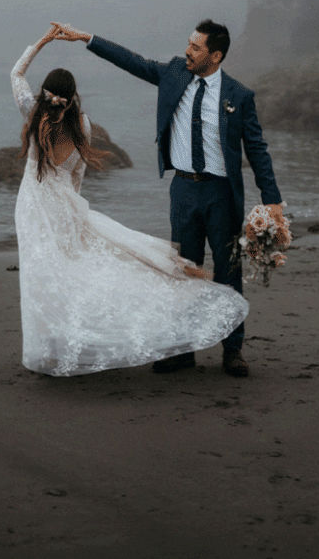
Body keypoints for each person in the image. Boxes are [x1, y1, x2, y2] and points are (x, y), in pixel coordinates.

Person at [52, 19, 285, 378]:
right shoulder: (175, 73)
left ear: (216, 55)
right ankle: (183, 350)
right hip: (183, 190)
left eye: (196, 47)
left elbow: (256, 150)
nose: (188, 51)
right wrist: (87, 38)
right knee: (183, 270)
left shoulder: (239, 96)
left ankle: (233, 350)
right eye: (189, 44)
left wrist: (272, 202)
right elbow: (133, 61)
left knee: (228, 271)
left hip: (222, 193)